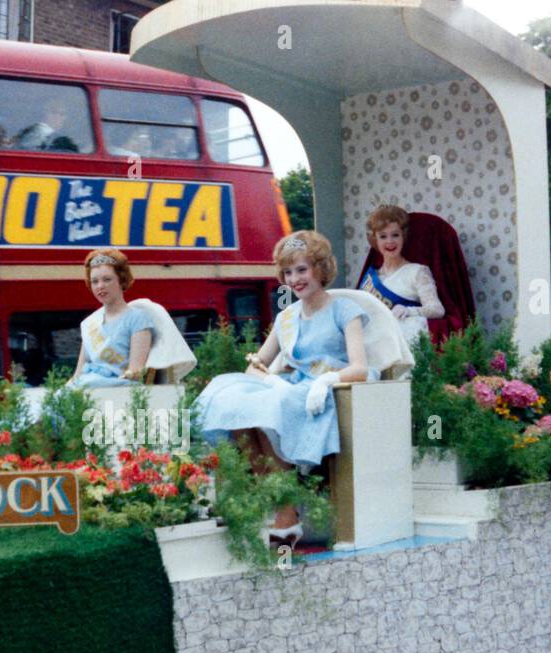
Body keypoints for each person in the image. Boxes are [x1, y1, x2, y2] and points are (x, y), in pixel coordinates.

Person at [193, 230, 373, 543]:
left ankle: (286, 514)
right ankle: (284, 508)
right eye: (288, 272)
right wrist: (270, 378)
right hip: (290, 389)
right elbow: (258, 363)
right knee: (233, 403)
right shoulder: (287, 317)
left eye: (301, 269)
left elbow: (360, 367)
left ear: (320, 268)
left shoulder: (345, 310)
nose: (294, 279)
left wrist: (327, 380)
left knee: (263, 409)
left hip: (326, 393)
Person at [67, 248, 195, 389]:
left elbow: (135, 373)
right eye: (94, 281)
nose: (100, 286)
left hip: (119, 388)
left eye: (107, 279)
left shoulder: (137, 319)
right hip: (88, 385)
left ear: (122, 280)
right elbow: (78, 373)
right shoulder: (89, 323)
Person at [358, 205, 445, 341]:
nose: (390, 241)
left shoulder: (418, 271)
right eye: (383, 236)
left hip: (401, 346)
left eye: (395, 235)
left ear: (403, 236)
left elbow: (437, 309)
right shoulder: (372, 275)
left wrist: (410, 311)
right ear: (375, 240)